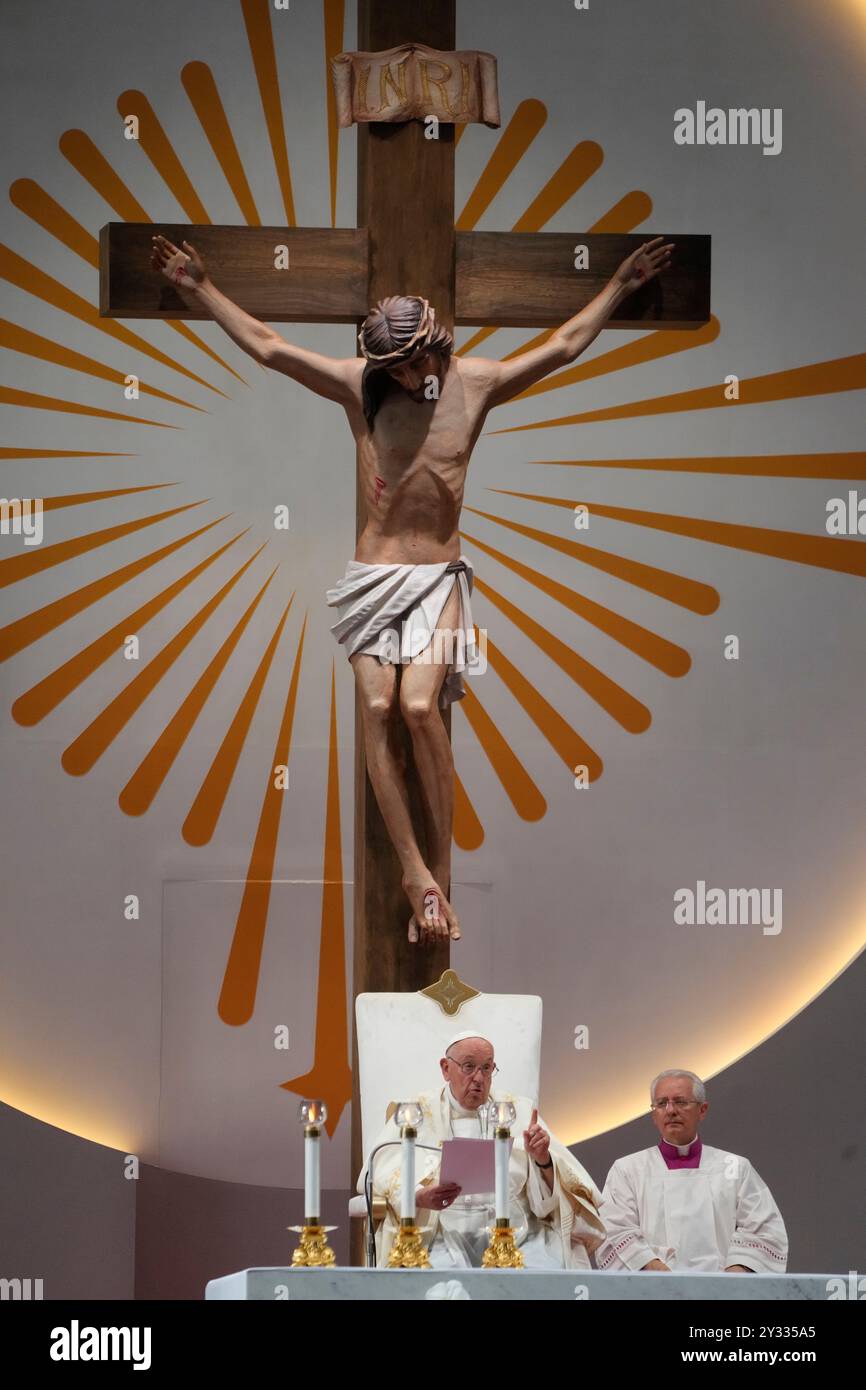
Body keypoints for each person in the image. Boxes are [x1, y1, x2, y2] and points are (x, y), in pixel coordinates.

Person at [151, 233, 674, 943]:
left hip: (438, 578)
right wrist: (199, 288)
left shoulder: (478, 383)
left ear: (437, 346)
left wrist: (619, 285)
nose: (404, 379)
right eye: (392, 370)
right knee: (377, 704)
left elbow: (563, 346)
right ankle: (414, 875)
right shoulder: (357, 384)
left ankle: (444, 869)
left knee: (421, 707)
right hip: (375, 574)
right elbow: (272, 348)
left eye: (413, 364)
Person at [357, 1030, 604, 1269]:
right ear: (445, 1068)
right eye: (468, 1066)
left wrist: (542, 1159)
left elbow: (551, 1198)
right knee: (439, 1282)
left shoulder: (518, 1111)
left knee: (545, 1271)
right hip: (442, 1233)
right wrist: (418, 1196)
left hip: (516, 1232)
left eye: (487, 1068)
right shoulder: (416, 1112)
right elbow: (381, 1169)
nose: (479, 1078)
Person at [596, 1069, 788, 1274]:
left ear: (702, 1110)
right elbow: (613, 1232)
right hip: (653, 1292)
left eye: (680, 1102)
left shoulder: (735, 1168)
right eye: (661, 1103)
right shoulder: (627, 1169)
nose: (670, 1110)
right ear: (654, 1114)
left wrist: (727, 1282)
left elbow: (766, 1233)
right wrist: (663, 1279)